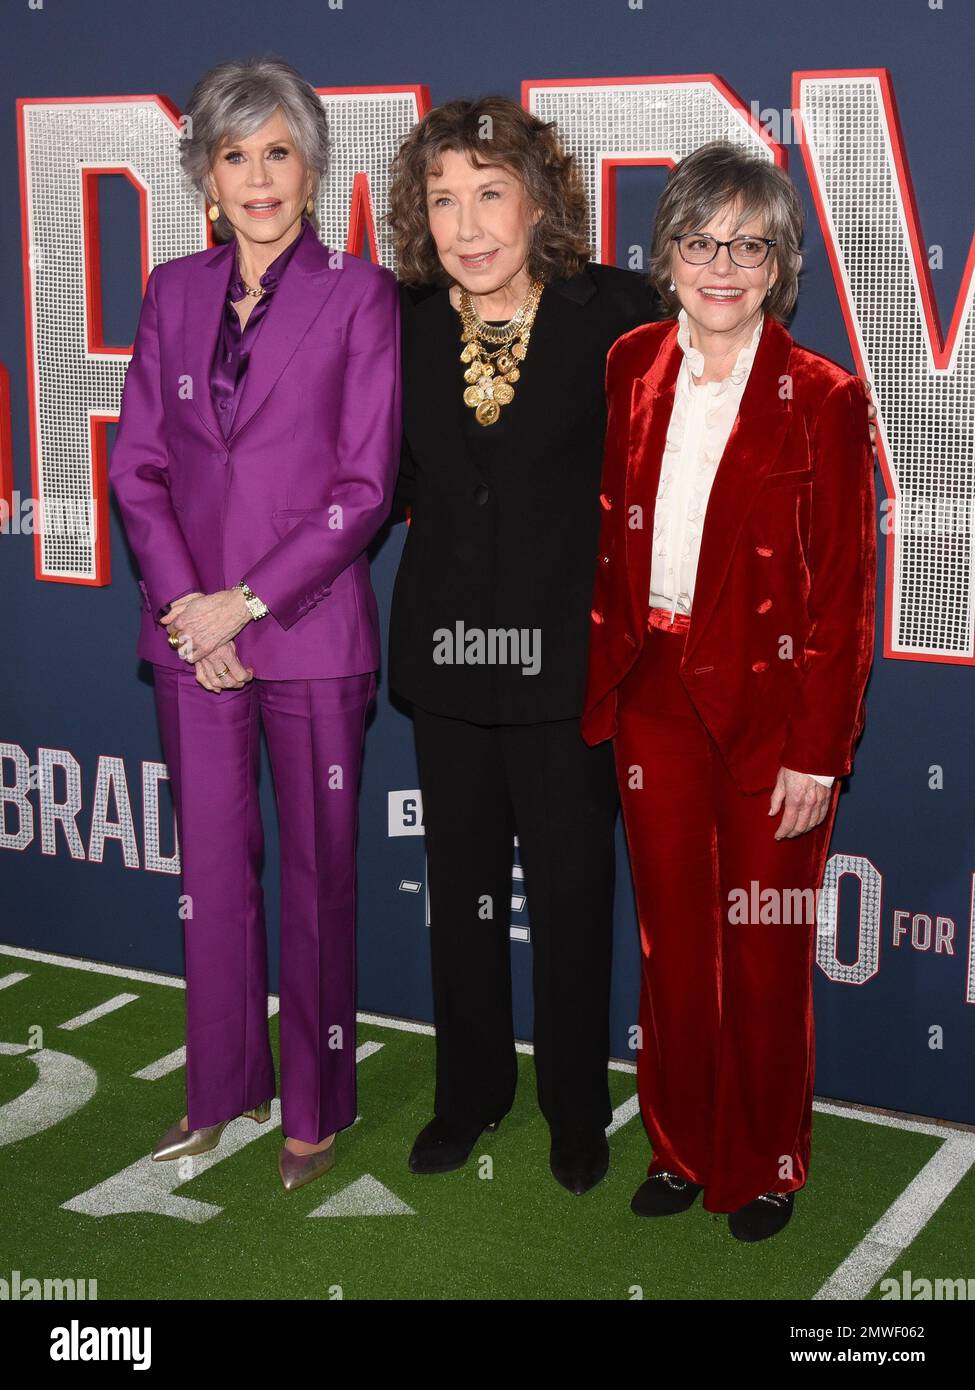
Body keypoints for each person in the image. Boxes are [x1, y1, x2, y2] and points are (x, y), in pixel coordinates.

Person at [109, 55, 400, 1193]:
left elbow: (365, 485)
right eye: (237, 155)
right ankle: (221, 1086)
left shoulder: (360, 294)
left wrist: (247, 600)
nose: (260, 176)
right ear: (207, 178)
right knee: (214, 876)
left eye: (280, 151)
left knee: (319, 879)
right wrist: (195, 612)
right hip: (192, 640)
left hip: (312, 632)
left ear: (313, 167)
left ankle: (318, 1105)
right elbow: (139, 470)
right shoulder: (172, 292)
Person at [582, 139, 877, 1240]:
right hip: (653, 685)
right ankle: (678, 1142)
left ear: (779, 262)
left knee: (763, 941)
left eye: (749, 244)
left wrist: (820, 747)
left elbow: (845, 590)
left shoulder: (825, 395)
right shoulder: (629, 364)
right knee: (671, 938)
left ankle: (765, 1159)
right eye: (703, 240)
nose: (723, 264)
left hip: (772, 706)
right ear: (668, 253)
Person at [385, 96, 662, 1194]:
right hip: (449, 659)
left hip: (566, 663)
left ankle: (573, 1108)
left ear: (538, 199)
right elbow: (374, 476)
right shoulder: (399, 321)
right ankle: (471, 1092)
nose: (467, 223)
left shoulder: (619, 310)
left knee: (572, 891)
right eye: (442, 199)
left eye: (488, 193)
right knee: (463, 893)